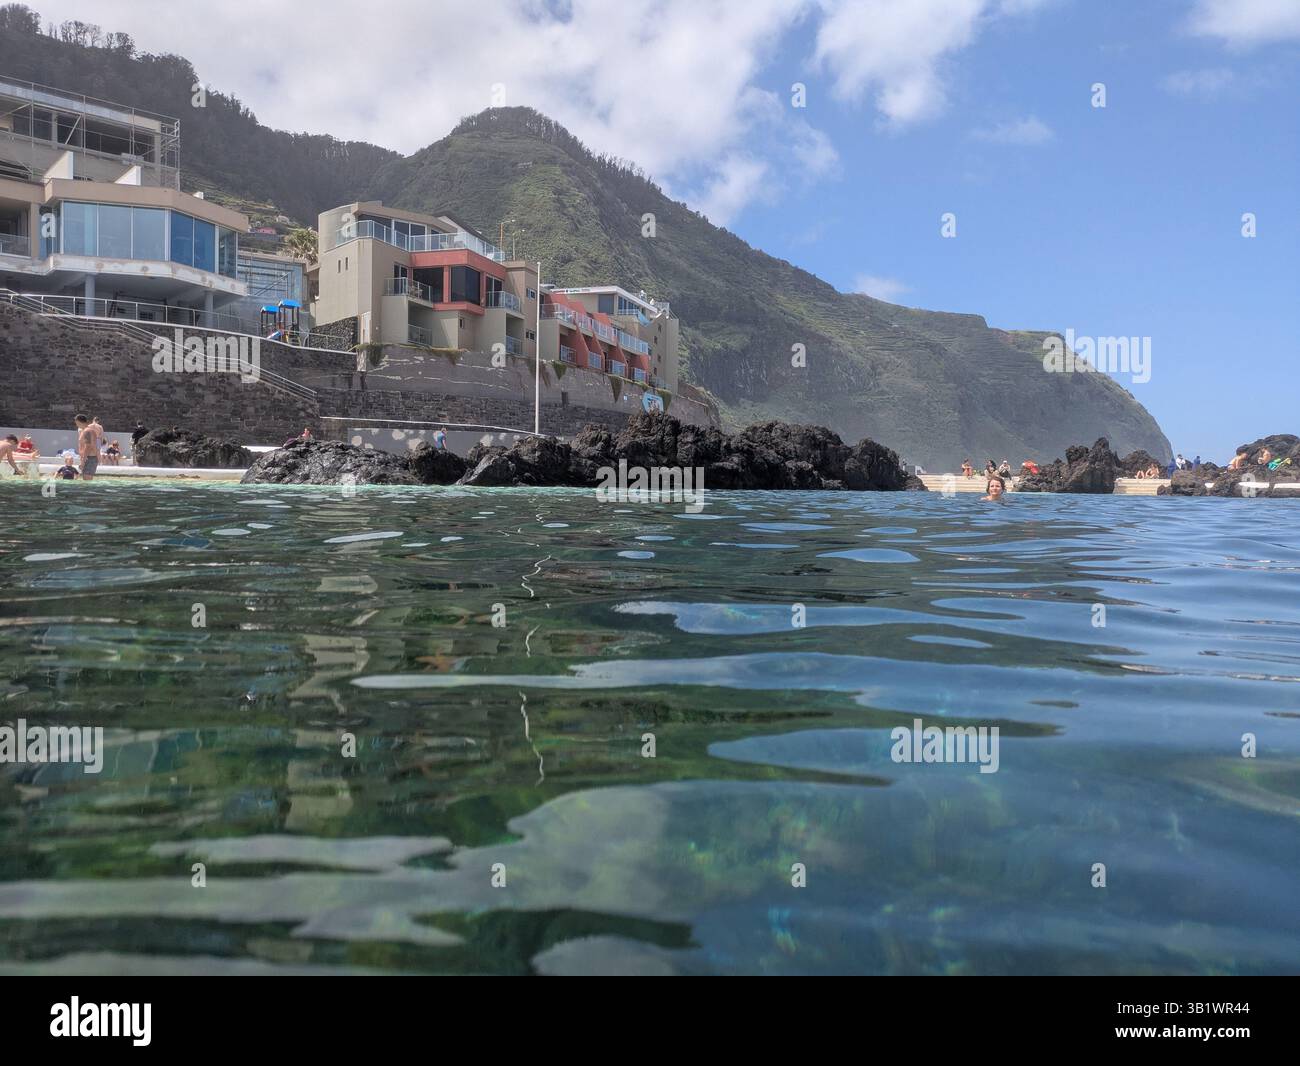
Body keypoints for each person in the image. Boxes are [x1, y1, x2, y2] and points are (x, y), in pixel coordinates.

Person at [74, 414, 102, 481]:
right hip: (89, 458)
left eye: (76, 423)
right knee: (86, 481)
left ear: (79, 421)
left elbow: (88, 446)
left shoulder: (87, 431)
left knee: (87, 481)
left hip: (89, 458)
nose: (76, 424)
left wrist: (83, 461)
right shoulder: (87, 430)